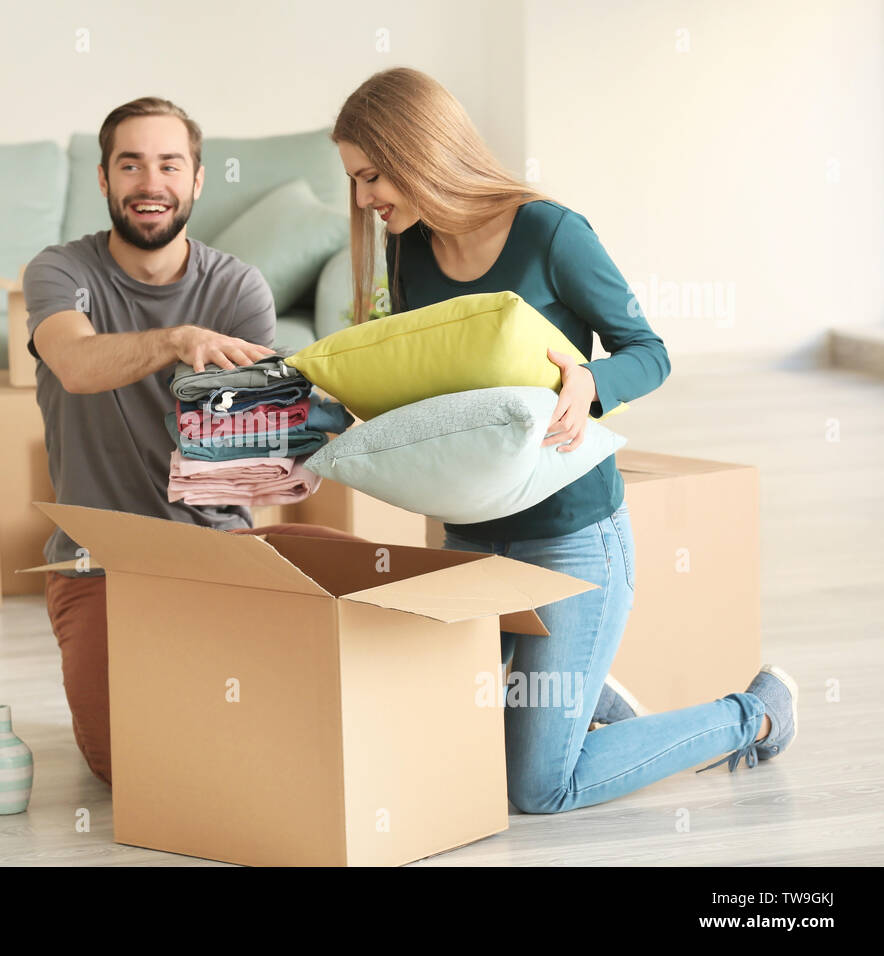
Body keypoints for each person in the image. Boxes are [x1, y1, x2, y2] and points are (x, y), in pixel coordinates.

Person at [329, 67, 797, 813]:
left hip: (572, 539)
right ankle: (581, 685)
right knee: (437, 738)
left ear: (417, 150)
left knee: (540, 787)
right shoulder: (407, 251)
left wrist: (588, 381)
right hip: (471, 539)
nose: (362, 198)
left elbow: (649, 350)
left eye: (372, 174)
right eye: (354, 179)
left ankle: (757, 712)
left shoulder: (550, 232)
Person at [24, 96, 363, 785]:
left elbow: (243, 461)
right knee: (129, 766)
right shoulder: (62, 274)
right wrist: (180, 341)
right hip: (99, 563)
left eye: (169, 165)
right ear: (104, 179)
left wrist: (295, 446)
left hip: (216, 551)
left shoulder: (238, 287)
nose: (151, 183)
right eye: (132, 164)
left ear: (197, 180)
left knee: (374, 576)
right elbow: (76, 365)